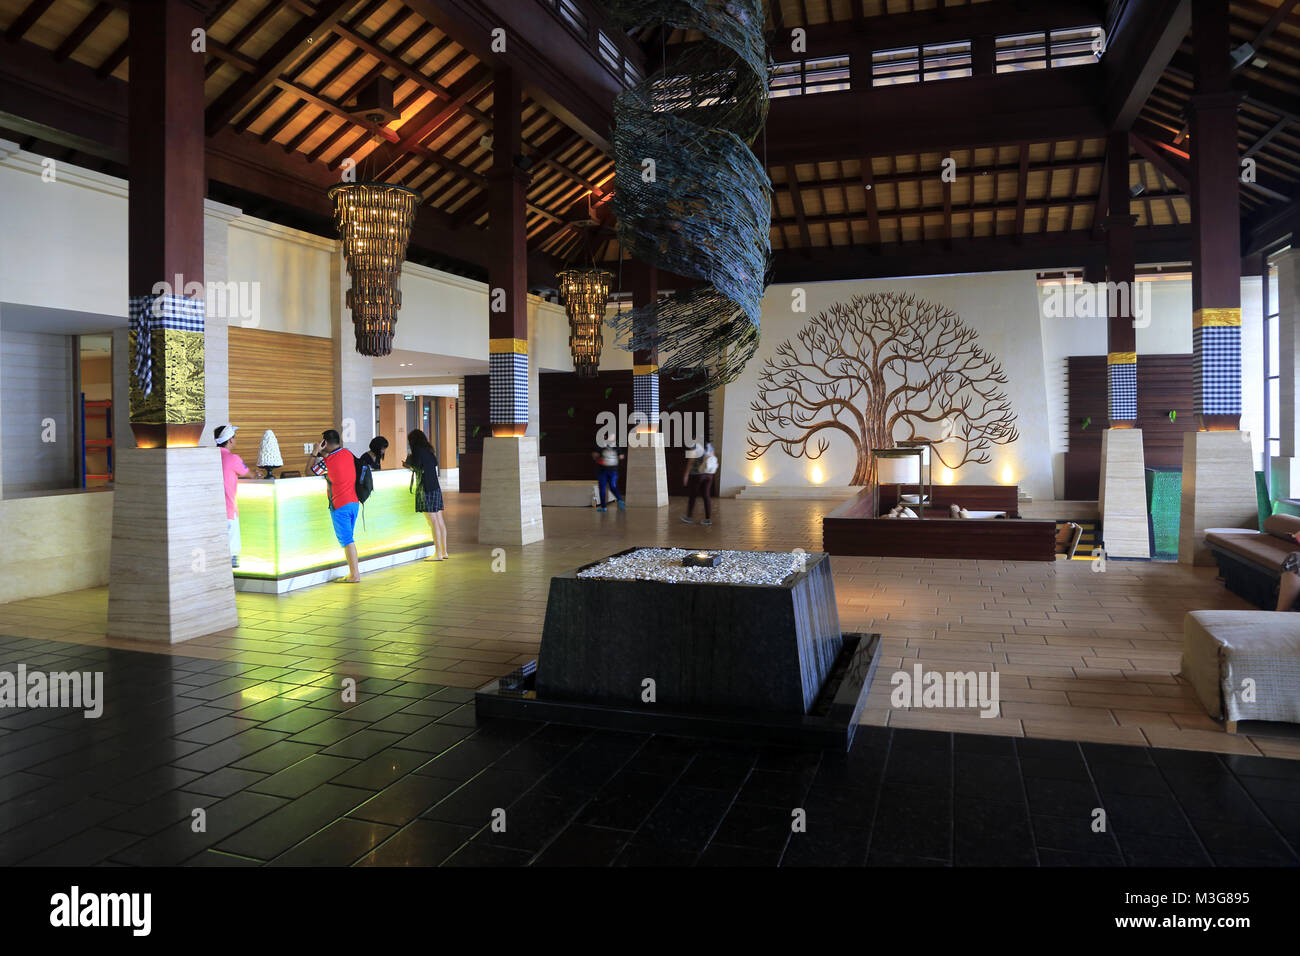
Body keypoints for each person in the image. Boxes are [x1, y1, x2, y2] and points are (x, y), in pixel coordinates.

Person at [308, 429, 361, 583]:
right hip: (354, 503)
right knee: (349, 538)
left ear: (325, 442)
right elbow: (335, 458)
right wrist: (323, 452)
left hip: (340, 504)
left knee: (347, 540)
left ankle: (354, 575)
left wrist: (314, 452)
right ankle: (354, 573)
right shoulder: (347, 453)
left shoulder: (327, 462)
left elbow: (309, 471)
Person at [404, 429, 448, 562]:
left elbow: (416, 466)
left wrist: (408, 465)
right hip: (435, 487)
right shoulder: (429, 450)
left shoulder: (417, 450)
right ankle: (444, 552)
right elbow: (433, 464)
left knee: (433, 521)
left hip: (426, 488)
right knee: (439, 521)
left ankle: (438, 553)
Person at [215, 424, 249, 568]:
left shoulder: (211, 456)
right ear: (229, 440)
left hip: (213, 510)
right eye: (234, 437)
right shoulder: (233, 458)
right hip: (229, 508)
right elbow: (249, 474)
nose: (235, 440)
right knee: (232, 548)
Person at [681, 440, 718, 526]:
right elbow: (712, 458)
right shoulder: (709, 445)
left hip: (697, 474)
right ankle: (708, 519)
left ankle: (689, 517)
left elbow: (691, 461)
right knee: (706, 496)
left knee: (693, 495)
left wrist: (686, 474)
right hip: (709, 474)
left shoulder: (694, 445)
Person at [591, 441, 626, 512]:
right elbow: (621, 457)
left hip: (603, 470)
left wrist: (597, 458)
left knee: (602, 488)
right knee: (613, 486)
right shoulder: (616, 446)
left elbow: (595, 455)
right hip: (613, 470)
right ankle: (620, 499)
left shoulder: (600, 446)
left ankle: (604, 507)